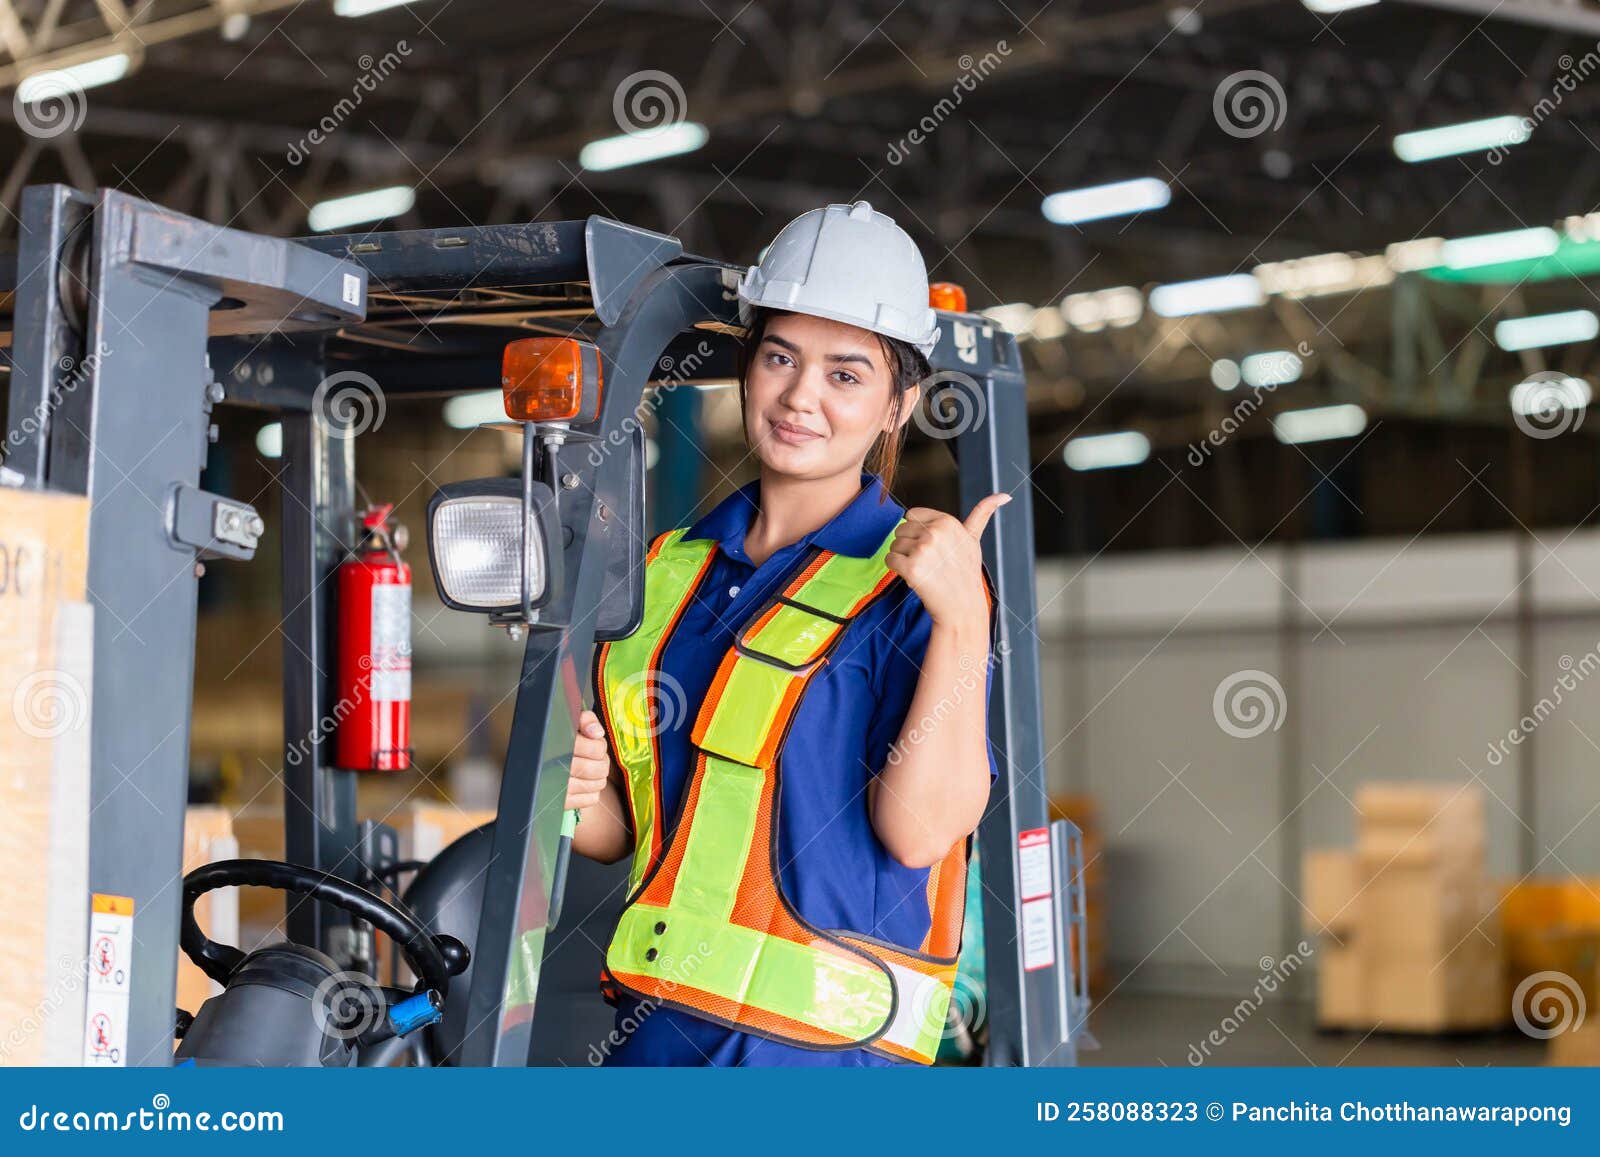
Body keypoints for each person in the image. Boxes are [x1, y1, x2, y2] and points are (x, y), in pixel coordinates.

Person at [565, 201, 1005, 1066]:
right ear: (747, 367)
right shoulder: (664, 571)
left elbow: (919, 831)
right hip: (651, 1034)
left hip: (822, 1063)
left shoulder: (910, 586)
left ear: (897, 404)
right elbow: (627, 830)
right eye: (779, 357)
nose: (801, 396)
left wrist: (963, 619)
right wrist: (577, 792)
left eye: (846, 374)